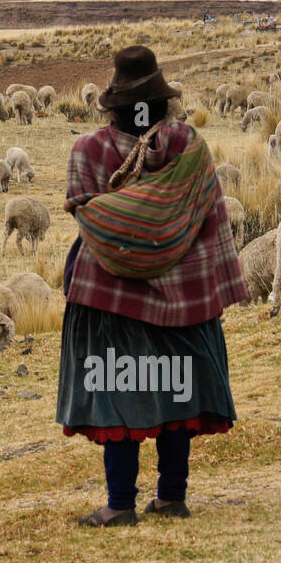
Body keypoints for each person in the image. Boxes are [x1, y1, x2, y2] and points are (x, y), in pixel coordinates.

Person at [58, 46, 247, 526]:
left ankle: (119, 504)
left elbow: (90, 219)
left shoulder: (90, 151)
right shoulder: (189, 147)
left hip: (111, 300)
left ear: (115, 102)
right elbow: (209, 220)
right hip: (182, 298)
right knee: (175, 389)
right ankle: (171, 496)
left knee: (117, 390)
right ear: (161, 101)